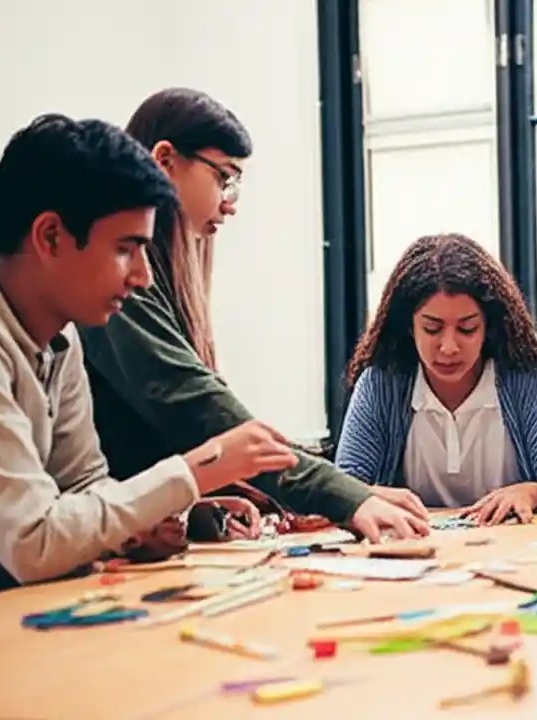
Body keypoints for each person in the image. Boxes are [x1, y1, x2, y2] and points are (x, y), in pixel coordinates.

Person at [0, 114, 298, 595]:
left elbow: (84, 488)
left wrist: (162, 517)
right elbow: (34, 542)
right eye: (126, 249)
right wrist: (196, 471)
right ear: (50, 236)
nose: (142, 276)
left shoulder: (61, 335)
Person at [77, 88, 428, 542]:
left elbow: (180, 438)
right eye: (223, 178)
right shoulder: (115, 288)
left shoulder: (158, 281)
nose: (230, 202)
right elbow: (204, 412)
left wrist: (202, 504)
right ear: (164, 162)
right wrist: (345, 496)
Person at [335, 233, 537, 525]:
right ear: (409, 327)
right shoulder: (381, 385)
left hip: (512, 550)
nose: (449, 347)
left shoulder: (527, 379)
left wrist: (533, 492)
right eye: (432, 329)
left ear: (488, 327)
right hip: (412, 552)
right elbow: (342, 486)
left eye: (467, 329)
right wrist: (368, 494)